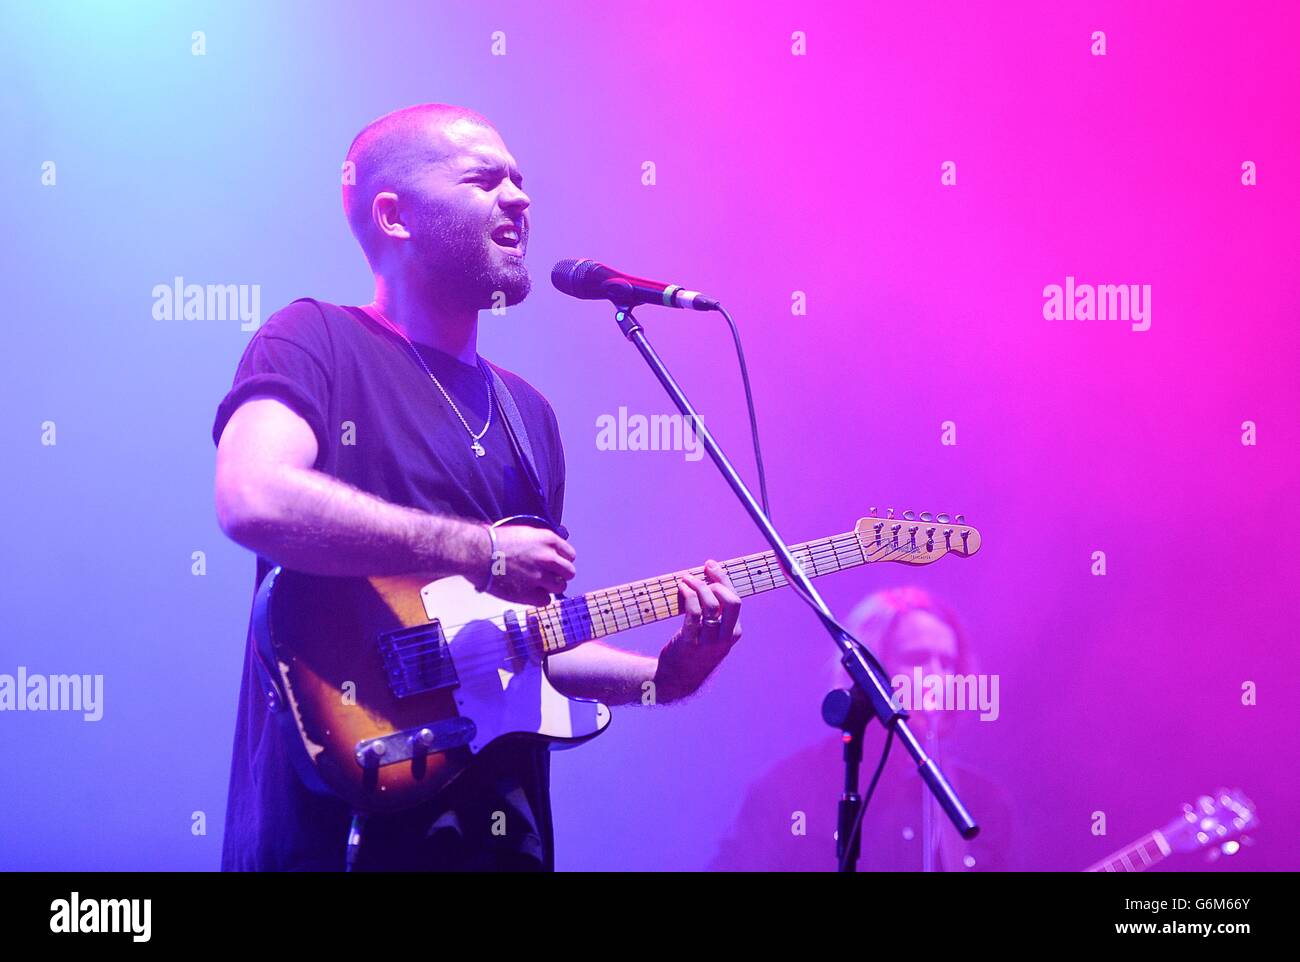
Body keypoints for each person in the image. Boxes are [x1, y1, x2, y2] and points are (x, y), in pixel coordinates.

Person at [212, 103, 743, 871]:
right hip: (337, 834)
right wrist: (478, 549)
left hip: (503, 843)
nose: (520, 199)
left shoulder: (531, 415)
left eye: (521, 180)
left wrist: (665, 677)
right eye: (484, 178)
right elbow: (253, 498)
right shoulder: (315, 339)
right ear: (394, 216)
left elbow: (523, 647)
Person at [709, 587, 1013, 871]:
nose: (937, 678)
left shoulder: (981, 801)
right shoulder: (787, 789)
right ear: (868, 670)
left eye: (947, 663)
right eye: (918, 659)